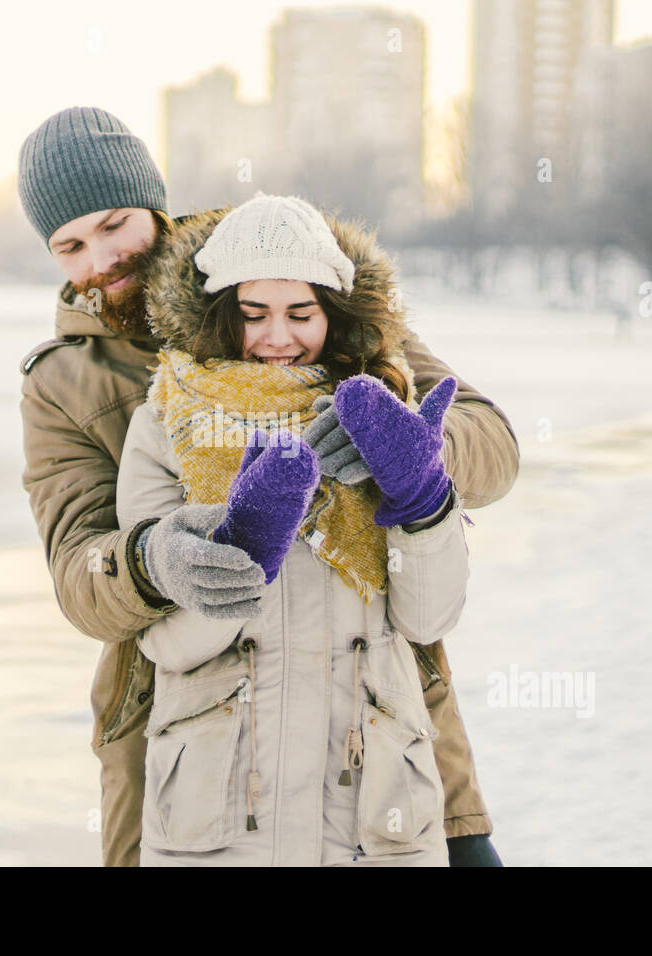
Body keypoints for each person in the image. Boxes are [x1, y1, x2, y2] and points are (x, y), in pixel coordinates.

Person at [16, 106, 519, 867]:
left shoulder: (296, 276)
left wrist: (408, 453)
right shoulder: (64, 383)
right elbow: (80, 573)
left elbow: (492, 443)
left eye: (115, 224)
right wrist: (155, 559)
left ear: (155, 202)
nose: (102, 258)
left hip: (375, 709)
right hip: (188, 726)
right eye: (71, 245)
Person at [116, 193, 475, 865]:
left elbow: (430, 618)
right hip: (218, 820)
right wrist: (243, 546)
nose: (277, 337)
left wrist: (422, 496)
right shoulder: (165, 423)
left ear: (333, 314)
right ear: (222, 315)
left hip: (372, 819)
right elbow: (168, 643)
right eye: (253, 315)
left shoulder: (379, 412)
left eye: (300, 314)